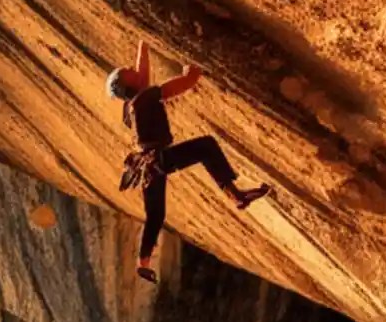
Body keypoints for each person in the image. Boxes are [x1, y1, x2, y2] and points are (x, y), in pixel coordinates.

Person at [108, 42, 271, 284]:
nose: (132, 67)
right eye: (127, 69)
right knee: (206, 147)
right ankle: (236, 195)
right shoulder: (145, 97)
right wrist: (193, 71)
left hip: (146, 167)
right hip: (157, 160)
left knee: (155, 214)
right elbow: (186, 83)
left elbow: (141, 76)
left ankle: (142, 263)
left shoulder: (130, 106)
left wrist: (144, 43)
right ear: (129, 84)